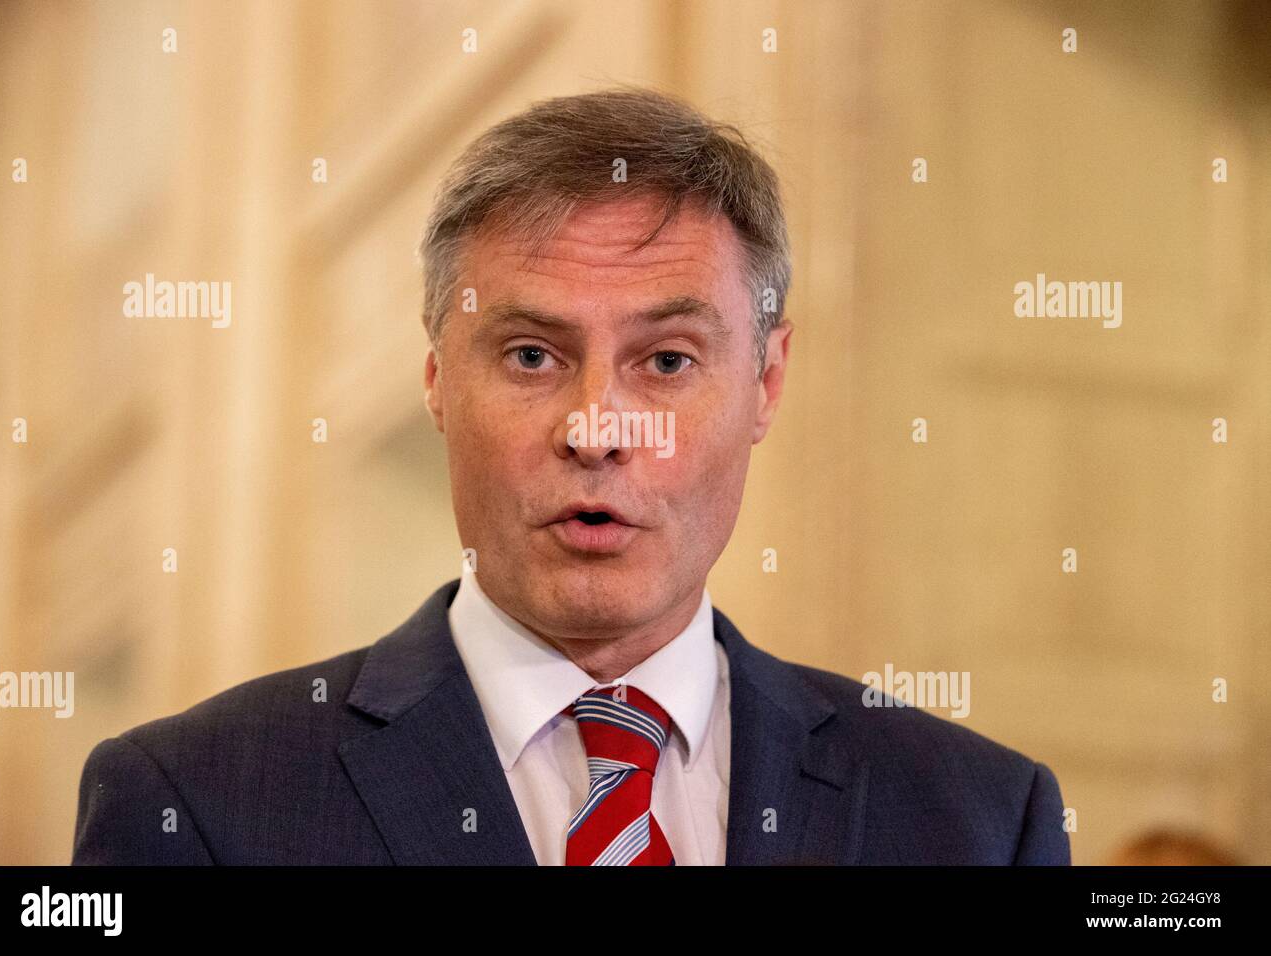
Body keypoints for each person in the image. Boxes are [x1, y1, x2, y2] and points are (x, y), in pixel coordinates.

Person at [72, 86, 1069, 865]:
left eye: (668, 360)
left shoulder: (975, 818)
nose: (595, 427)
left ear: (765, 382)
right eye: (531, 357)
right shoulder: (193, 800)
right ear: (435, 380)